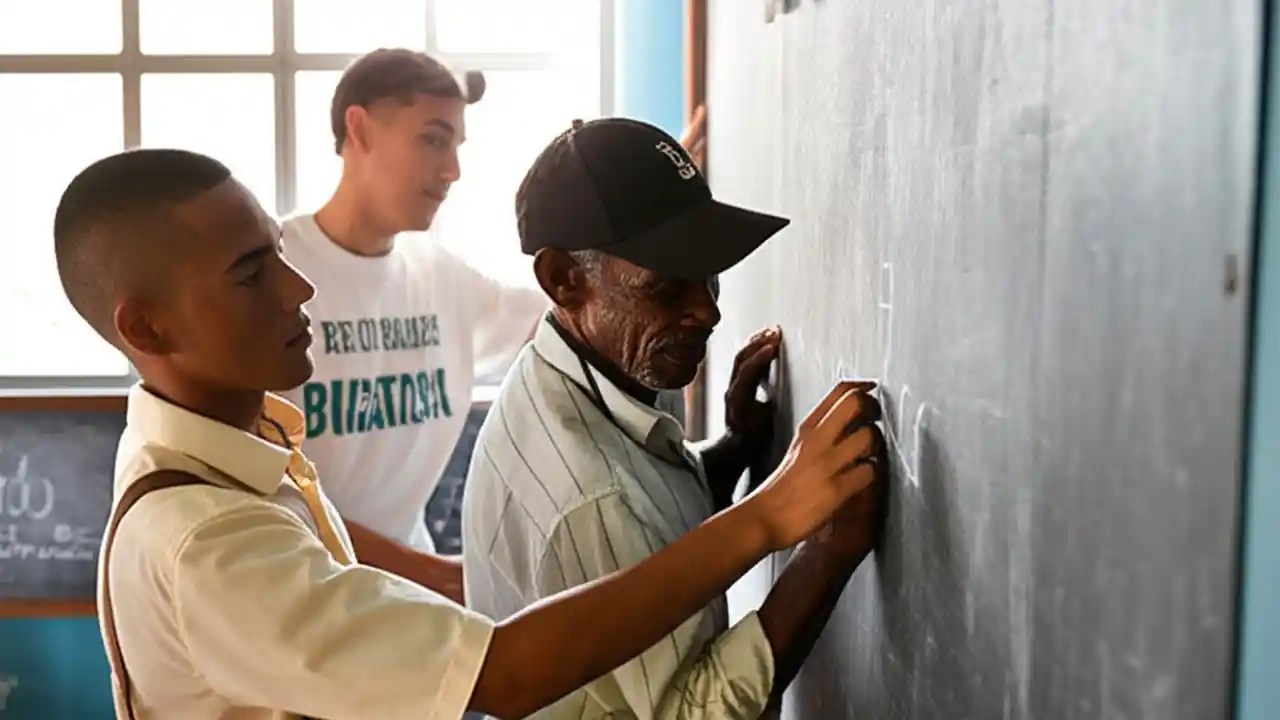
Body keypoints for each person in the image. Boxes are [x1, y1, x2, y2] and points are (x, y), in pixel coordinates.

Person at [54, 149, 884, 719]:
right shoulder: (205, 542)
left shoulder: (233, 453)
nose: (299, 286)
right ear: (148, 329)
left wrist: (733, 459)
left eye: (277, 251)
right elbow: (508, 674)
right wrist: (775, 518)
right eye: (250, 274)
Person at [462, 118, 887, 719]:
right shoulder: (588, 495)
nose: (706, 311)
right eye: (665, 288)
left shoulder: (605, 364)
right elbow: (691, 713)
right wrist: (827, 552)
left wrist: (736, 450)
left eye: (707, 273)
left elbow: (651, 535)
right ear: (564, 279)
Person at [276, 48, 547, 602]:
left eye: (455, 146)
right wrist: (441, 575)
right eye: (432, 139)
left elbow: (566, 310)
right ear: (360, 128)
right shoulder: (275, 271)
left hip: (411, 600)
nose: (452, 170)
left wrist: (633, 215)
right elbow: (264, 499)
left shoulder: (441, 275)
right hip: (306, 606)